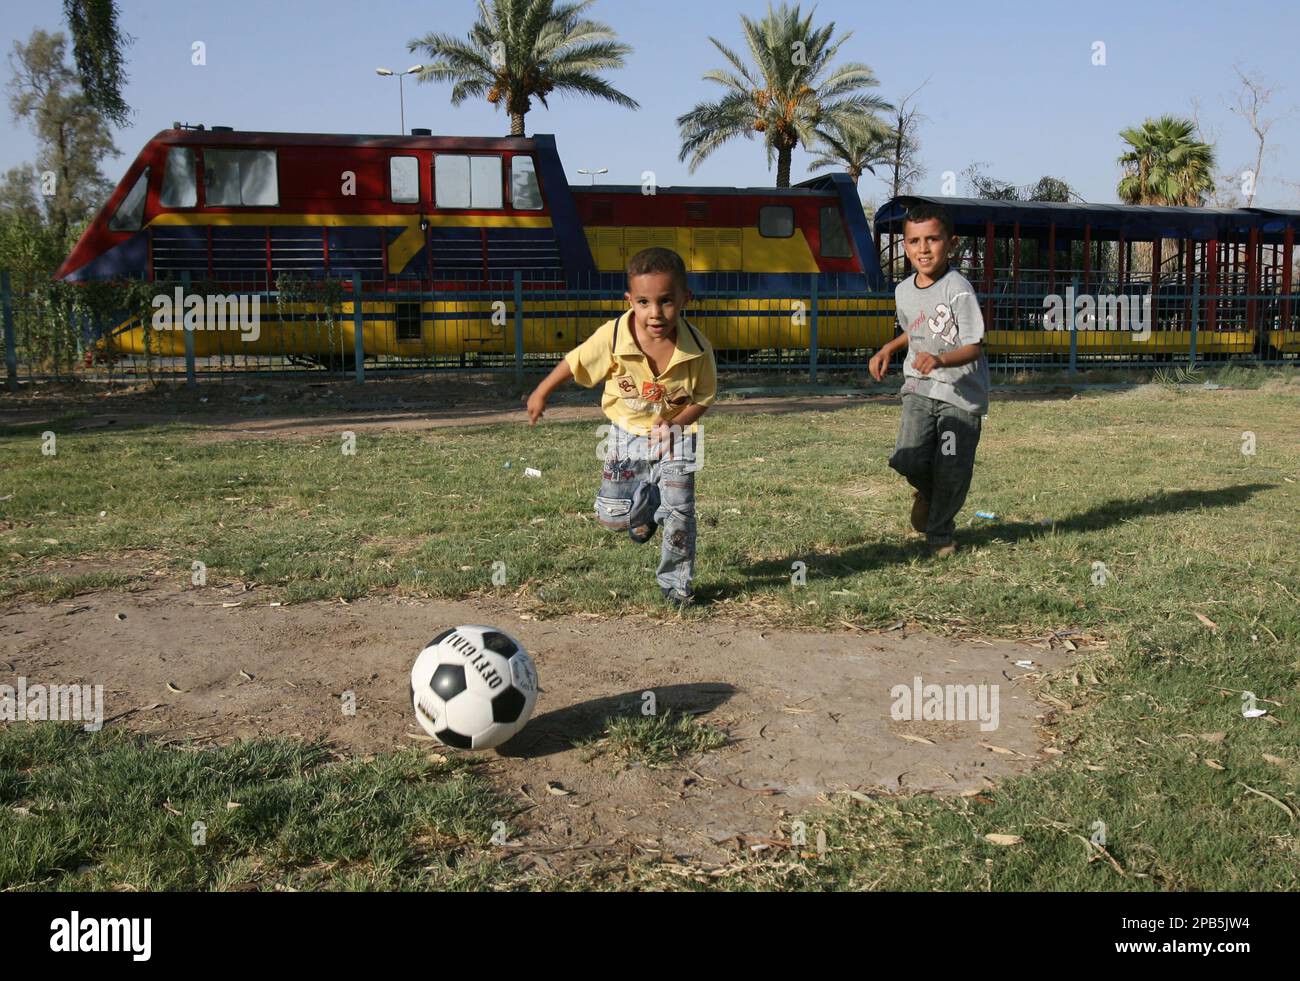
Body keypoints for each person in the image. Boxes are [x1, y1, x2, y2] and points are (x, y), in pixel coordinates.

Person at [526, 247, 717, 606]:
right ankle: (644, 509)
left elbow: (703, 397)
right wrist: (541, 391)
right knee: (612, 518)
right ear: (629, 300)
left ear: (685, 298)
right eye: (643, 302)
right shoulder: (613, 336)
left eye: (666, 301)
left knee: (681, 514)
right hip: (623, 436)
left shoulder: (698, 350)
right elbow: (574, 361)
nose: (655, 313)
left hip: (676, 439)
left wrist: (675, 424)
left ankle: (676, 587)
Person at [869, 202, 989, 557]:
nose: (923, 249)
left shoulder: (958, 289)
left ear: (950, 243)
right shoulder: (903, 291)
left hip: (960, 394)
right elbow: (915, 329)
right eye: (914, 241)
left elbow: (974, 346)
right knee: (906, 457)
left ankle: (939, 534)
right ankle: (931, 494)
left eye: (932, 239)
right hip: (919, 388)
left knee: (952, 465)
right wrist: (889, 347)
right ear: (904, 246)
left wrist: (939, 358)